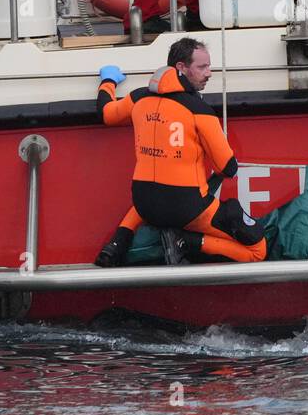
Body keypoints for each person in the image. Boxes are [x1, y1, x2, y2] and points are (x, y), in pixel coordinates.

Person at [93, 37, 266, 267]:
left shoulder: (138, 97)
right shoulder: (200, 111)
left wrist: (108, 80)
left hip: (145, 202)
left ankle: (115, 246)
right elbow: (227, 167)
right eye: (202, 67)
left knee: (149, 200)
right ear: (181, 68)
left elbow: (107, 113)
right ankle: (186, 242)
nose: (210, 73)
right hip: (188, 209)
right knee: (257, 250)